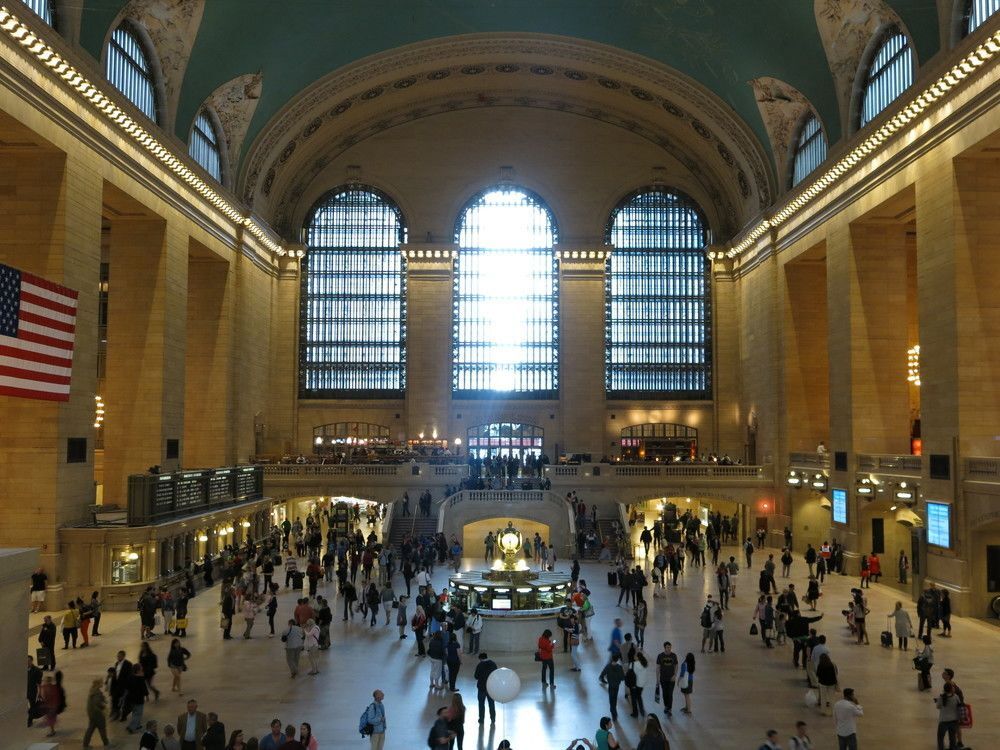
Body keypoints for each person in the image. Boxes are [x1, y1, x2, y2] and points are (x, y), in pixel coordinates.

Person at [82, 678, 110, 748]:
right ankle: (106, 743)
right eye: (101, 683)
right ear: (98, 684)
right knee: (102, 728)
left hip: (92, 713)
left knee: (91, 728)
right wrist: (103, 705)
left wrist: (103, 699)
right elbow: (97, 702)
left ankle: (85, 743)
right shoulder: (97, 693)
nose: (102, 684)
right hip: (97, 714)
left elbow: (99, 698)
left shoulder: (93, 690)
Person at [655, 641, 679, 716]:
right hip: (663, 679)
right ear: (664, 648)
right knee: (665, 694)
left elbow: (676, 665)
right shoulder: (660, 656)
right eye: (667, 647)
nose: (669, 649)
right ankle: (666, 706)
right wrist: (657, 679)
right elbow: (658, 668)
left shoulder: (674, 655)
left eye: (670, 647)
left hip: (671, 679)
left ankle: (670, 709)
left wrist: (675, 675)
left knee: (670, 693)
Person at [934, 682, 960, 750]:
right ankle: (952, 748)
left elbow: (938, 707)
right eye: (953, 687)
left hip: (943, 721)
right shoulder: (956, 697)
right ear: (951, 689)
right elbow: (959, 705)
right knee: (952, 738)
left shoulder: (941, 697)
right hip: (954, 720)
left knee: (940, 738)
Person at [473, 652, 498, 724]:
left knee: (481, 704)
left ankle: (481, 719)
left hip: (481, 687)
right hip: (490, 688)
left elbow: (476, 676)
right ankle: (493, 719)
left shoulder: (480, 665)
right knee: (491, 703)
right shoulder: (493, 664)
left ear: (480, 659)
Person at [603, 654, 626, 722]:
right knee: (615, 698)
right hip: (616, 686)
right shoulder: (619, 667)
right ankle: (614, 712)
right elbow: (622, 678)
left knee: (611, 698)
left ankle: (613, 712)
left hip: (611, 685)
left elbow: (602, 674)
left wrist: (606, 677)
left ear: (612, 659)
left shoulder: (608, 666)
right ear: (617, 659)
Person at [629, 650, 651, 717]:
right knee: (639, 696)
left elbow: (630, 674)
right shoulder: (645, 663)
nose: (634, 657)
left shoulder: (633, 664)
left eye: (635, 656)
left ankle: (635, 713)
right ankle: (642, 710)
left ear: (637, 657)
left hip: (635, 684)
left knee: (633, 699)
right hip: (642, 684)